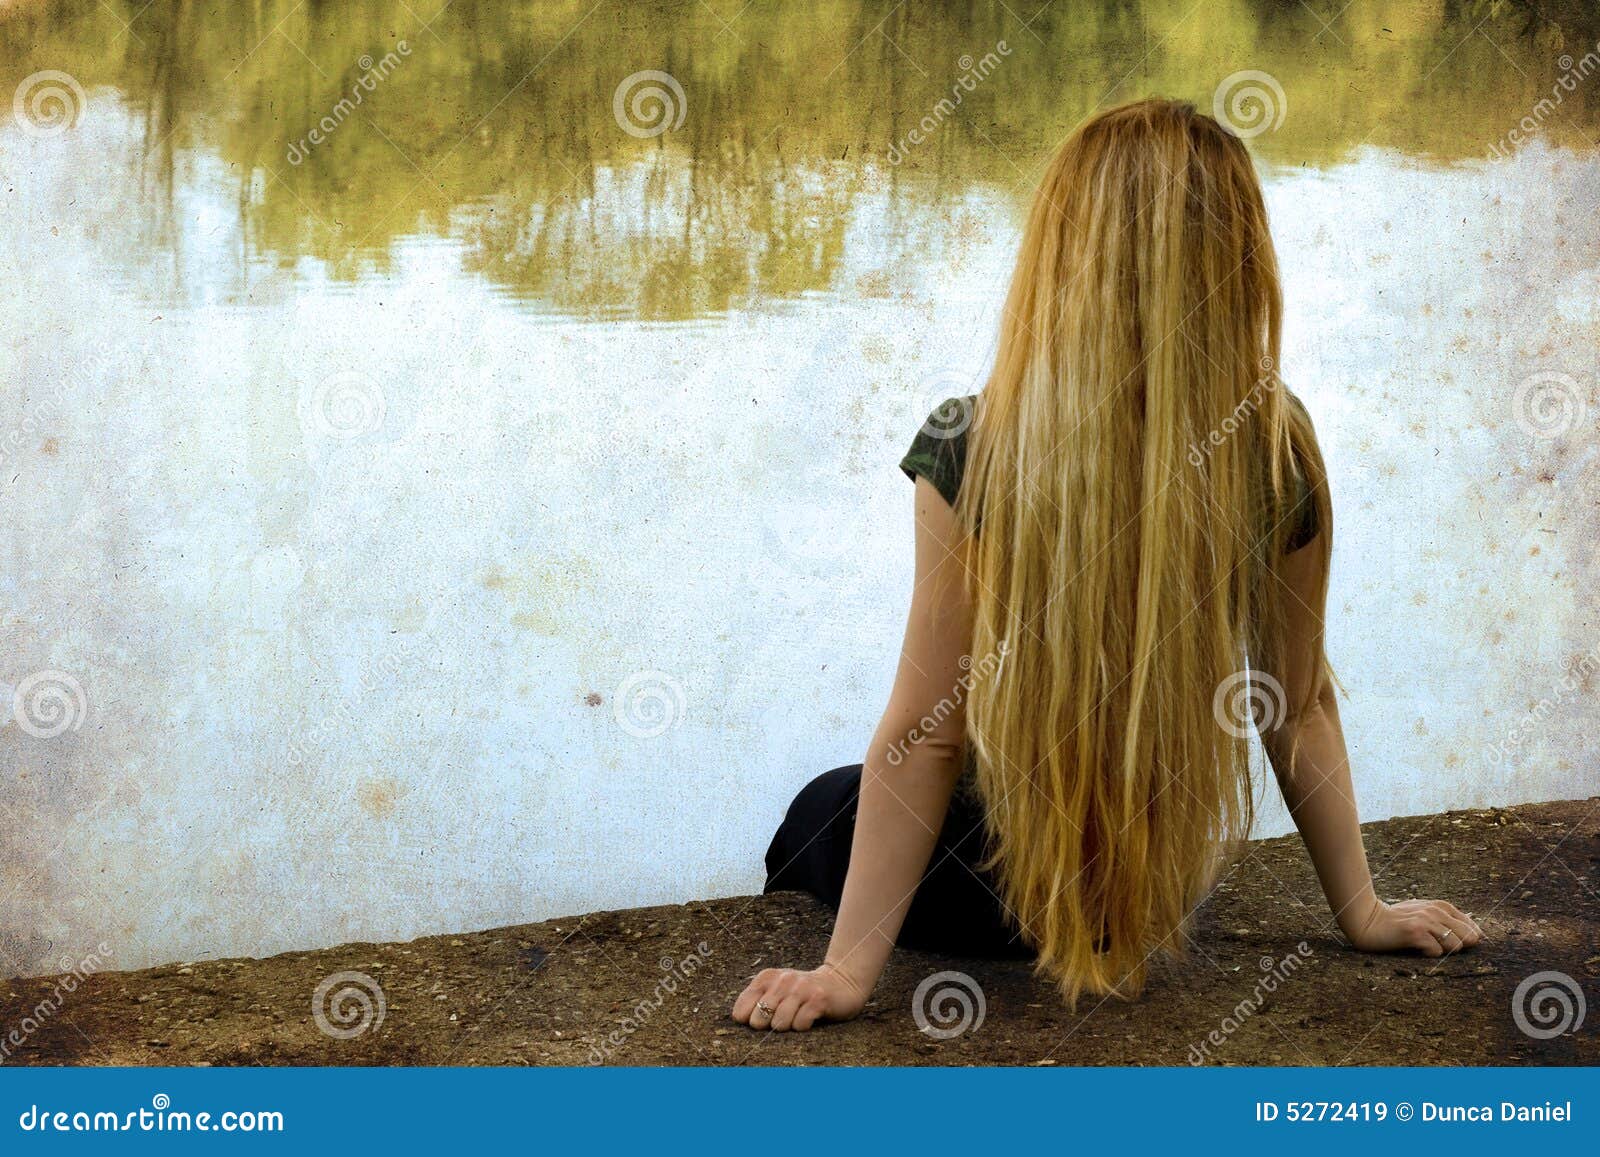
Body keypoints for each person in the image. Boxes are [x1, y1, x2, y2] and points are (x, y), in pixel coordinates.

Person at [732, 98, 1482, 1034]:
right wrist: (1361, 911)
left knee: (820, 804)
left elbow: (930, 734)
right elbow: (1297, 702)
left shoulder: (974, 444)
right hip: (1152, 899)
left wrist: (845, 972)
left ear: (1061, 253)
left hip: (980, 884)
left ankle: (817, 937)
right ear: (1237, 261)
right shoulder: (1272, 443)